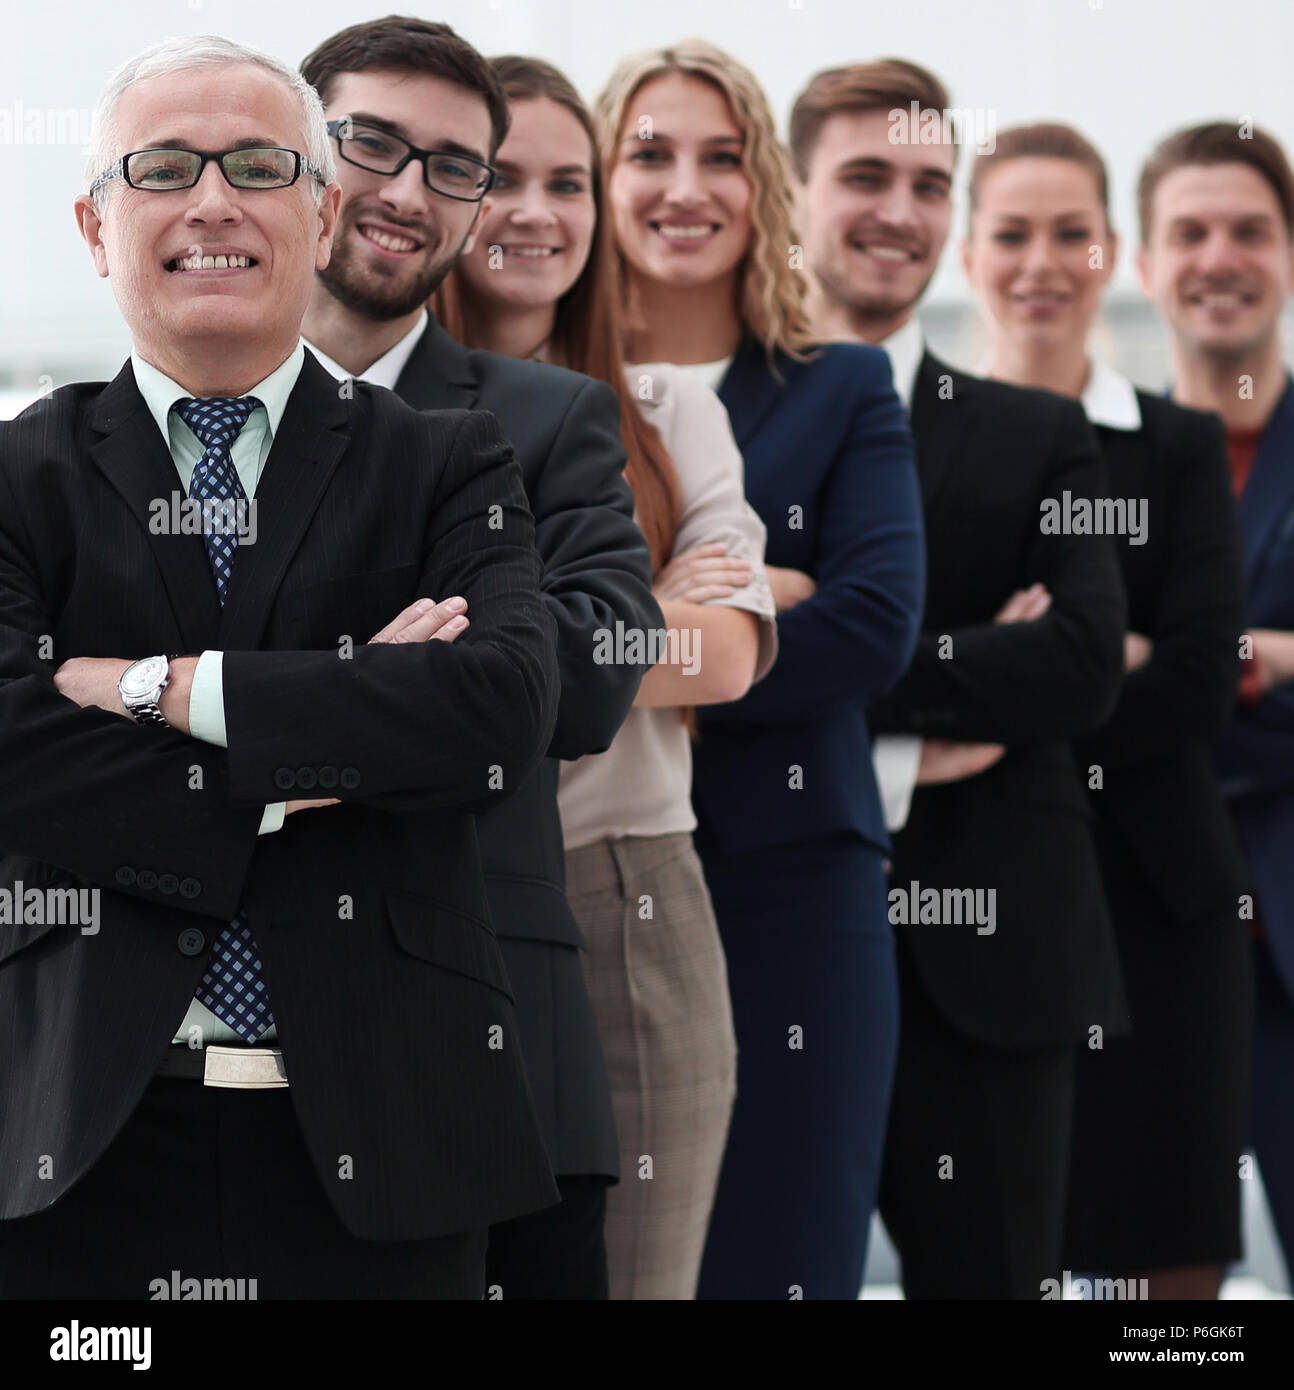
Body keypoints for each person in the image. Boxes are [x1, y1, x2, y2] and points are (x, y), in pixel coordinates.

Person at [0, 35, 560, 1299]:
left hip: (386, 1151)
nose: (212, 201)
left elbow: (498, 711)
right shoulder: (18, 477)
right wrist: (312, 747)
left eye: (257, 166)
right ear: (96, 227)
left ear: (317, 215)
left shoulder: (446, 462)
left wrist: (152, 688)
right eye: (164, 168)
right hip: (74, 1145)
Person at [296, 17, 662, 1299]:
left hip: (489, 1048)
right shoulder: (154, 414)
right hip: (193, 1058)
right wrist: (408, 664)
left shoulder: (547, 419)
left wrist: (263, 693)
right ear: (295, 150)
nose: (408, 192)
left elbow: (599, 665)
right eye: (371, 143)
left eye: (456, 166)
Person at [437, 54, 777, 1299]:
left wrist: (474, 645)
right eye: (499, 176)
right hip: (412, 883)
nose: (537, 211)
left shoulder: (670, 408)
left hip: (619, 895)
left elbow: (729, 654)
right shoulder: (369, 410)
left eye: (569, 182)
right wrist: (621, 621)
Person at [594, 40, 926, 1300]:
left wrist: (648, 634)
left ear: (763, 187)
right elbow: (503, 625)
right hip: (587, 874)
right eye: (650, 154)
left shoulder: (841, 385)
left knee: (786, 1255)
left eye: (723, 157)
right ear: (599, 175)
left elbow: (875, 627)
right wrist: (753, 596)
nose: (689, 187)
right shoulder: (542, 388)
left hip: (794, 893)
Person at [791, 60, 1128, 1298]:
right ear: (792, 190)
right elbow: (688, 663)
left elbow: (1083, 661)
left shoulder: (1035, 430)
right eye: (866, 176)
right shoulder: (711, 419)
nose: (900, 210)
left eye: (930, 183)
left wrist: (823, 654)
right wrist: (917, 715)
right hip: (759, 939)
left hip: (994, 967)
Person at [962, 121, 1250, 1299]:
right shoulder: (921, 431)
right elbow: (897, 667)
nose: (1041, 260)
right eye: (1011, 233)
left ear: (1111, 251)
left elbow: (1192, 679)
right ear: (968, 254)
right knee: (1001, 1242)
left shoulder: (1175, 443)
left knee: (1167, 1258)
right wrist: (1090, 654)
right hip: (980, 898)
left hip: (1162, 906)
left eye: (1070, 232)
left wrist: (1023, 666)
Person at [1138, 120, 1294, 1287]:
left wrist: (1206, 661)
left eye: (1248, 229)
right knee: (1154, 1288)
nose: (1217, 256)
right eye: (1186, 231)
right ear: (1144, 263)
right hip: (1147, 935)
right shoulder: (1096, 460)